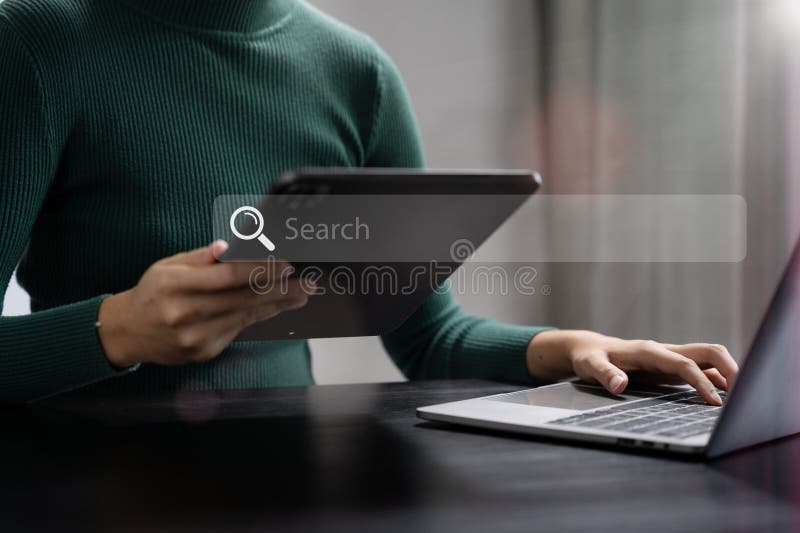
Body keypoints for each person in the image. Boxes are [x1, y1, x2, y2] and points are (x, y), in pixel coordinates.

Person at [0, 0, 737, 404]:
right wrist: (117, 329)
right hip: (84, 485)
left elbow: (427, 337)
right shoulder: (35, 43)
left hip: (291, 483)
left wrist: (572, 347)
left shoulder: (356, 72)